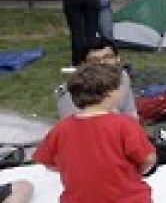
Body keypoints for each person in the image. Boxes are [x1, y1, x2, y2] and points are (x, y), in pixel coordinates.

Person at [33, 63, 156, 203]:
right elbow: (148, 159)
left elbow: (47, 162)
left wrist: (75, 170)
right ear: (110, 93)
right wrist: (134, 172)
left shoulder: (60, 128)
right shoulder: (124, 125)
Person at [56, 37, 138, 120]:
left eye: (107, 57)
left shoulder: (123, 77)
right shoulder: (73, 90)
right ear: (84, 64)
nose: (102, 63)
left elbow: (130, 112)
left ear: (118, 58)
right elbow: (73, 126)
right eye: (95, 60)